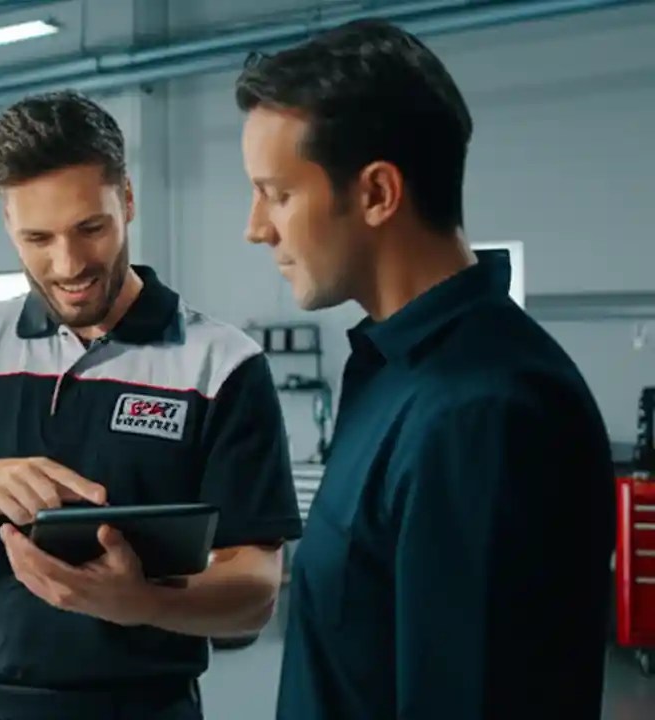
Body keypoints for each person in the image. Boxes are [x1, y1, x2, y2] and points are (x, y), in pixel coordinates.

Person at [0, 89, 303, 720]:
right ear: (8, 224)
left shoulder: (221, 364)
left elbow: (255, 591)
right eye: (37, 238)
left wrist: (141, 603)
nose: (68, 265)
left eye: (90, 228)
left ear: (127, 200)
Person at [234, 19, 616, 720]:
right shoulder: (394, 374)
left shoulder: (483, 413)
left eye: (278, 194)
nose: (256, 227)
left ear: (378, 193)